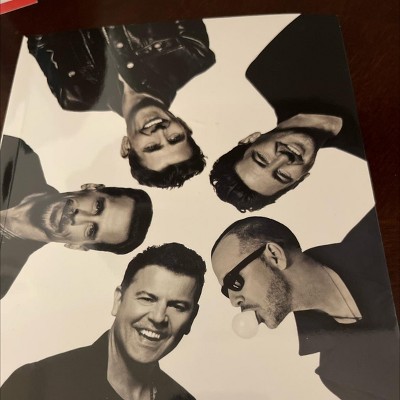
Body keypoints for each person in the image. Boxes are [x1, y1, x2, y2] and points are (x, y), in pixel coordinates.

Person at [211, 211, 399, 399]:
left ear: (274, 255)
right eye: (226, 292)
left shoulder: (380, 229)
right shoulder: (339, 376)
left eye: (234, 281)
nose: (234, 301)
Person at [1, 242, 207, 400]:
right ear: (118, 300)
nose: (158, 317)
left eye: (177, 306)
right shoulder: (36, 384)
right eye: (147, 299)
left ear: (191, 318)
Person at [27, 19, 215, 189]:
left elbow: (38, 36)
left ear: (126, 146)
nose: (160, 132)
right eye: (175, 138)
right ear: (184, 126)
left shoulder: (74, 96)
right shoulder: (193, 53)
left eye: (151, 147)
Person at [210, 15, 366, 211]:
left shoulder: (272, 72)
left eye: (261, 159)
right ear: (302, 179)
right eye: (283, 175)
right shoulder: (375, 151)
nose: (283, 158)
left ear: (251, 139)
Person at [0, 135, 153, 298]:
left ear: (77, 246)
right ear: (91, 187)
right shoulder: (15, 155)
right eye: (98, 206)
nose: (78, 217)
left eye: (91, 230)